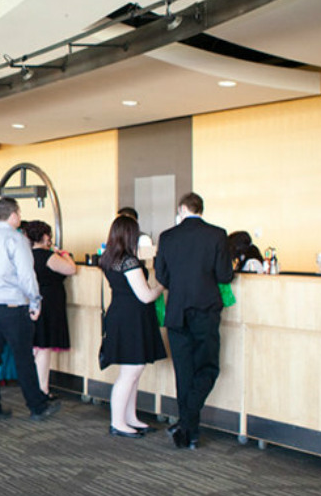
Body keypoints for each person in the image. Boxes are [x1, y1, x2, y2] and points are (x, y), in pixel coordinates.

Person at [154, 192, 234, 450]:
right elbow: (225, 275)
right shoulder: (217, 235)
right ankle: (188, 425)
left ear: (181, 210)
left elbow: (162, 277)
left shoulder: (167, 237)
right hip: (205, 311)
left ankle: (188, 430)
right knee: (209, 367)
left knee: (184, 371)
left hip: (176, 312)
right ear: (201, 209)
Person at [0, 197, 61, 423]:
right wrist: (35, 301)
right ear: (14, 215)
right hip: (12, 305)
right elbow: (26, 275)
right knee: (23, 356)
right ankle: (37, 406)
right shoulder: (16, 240)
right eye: (19, 214)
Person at [98, 214, 167, 438]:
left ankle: (130, 417)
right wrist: (160, 288)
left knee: (133, 370)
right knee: (132, 370)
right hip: (131, 318)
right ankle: (118, 422)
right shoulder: (129, 261)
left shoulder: (110, 259)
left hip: (122, 315)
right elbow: (145, 295)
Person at [24, 220, 75, 399]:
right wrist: (64, 254)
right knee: (44, 348)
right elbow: (71, 269)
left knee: (36, 347)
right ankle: (42, 390)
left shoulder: (27, 256)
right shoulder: (48, 257)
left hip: (32, 301)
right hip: (49, 303)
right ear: (45, 236)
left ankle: (34, 388)